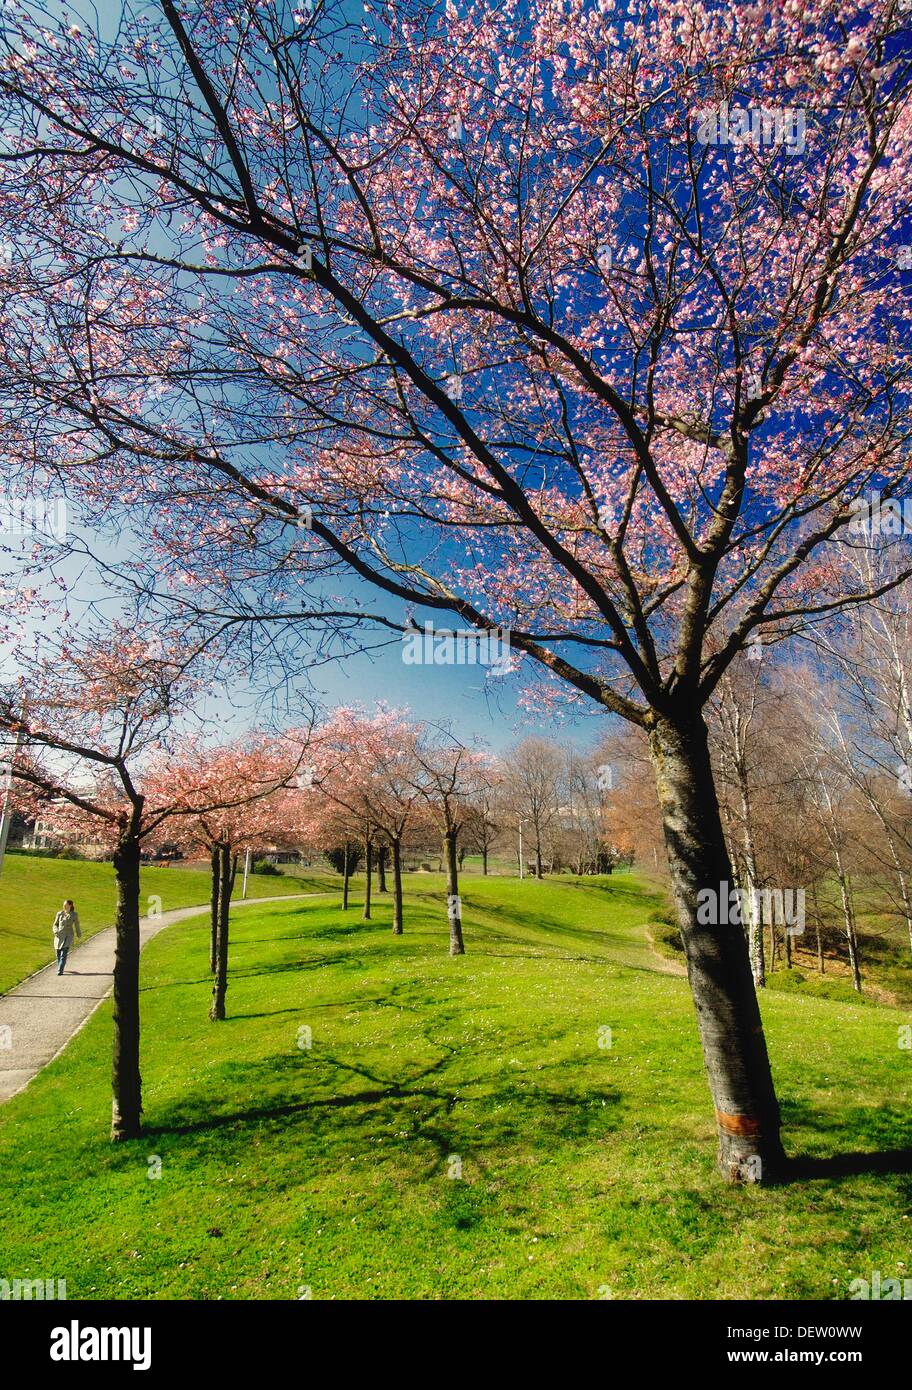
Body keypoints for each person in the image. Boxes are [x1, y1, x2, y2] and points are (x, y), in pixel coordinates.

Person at [52, 900, 81, 976]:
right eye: (63, 905)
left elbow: (77, 925)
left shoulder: (74, 914)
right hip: (59, 936)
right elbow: (55, 924)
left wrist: (79, 934)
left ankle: (60, 970)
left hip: (68, 935)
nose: (64, 906)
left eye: (66, 905)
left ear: (70, 905)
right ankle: (60, 966)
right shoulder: (59, 913)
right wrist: (56, 931)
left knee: (63, 953)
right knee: (58, 953)